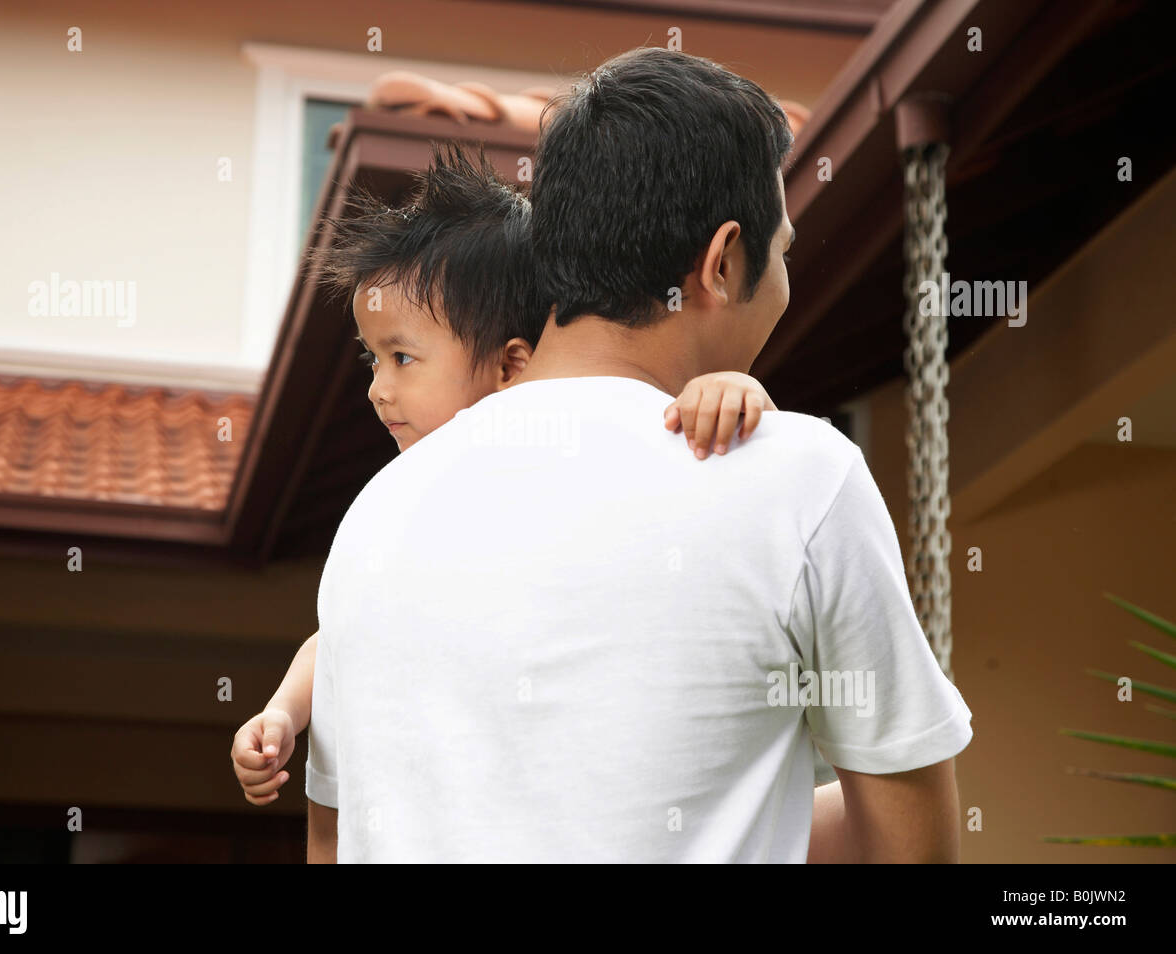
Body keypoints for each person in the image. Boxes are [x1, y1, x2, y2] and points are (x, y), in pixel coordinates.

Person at [299, 48, 973, 863]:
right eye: (783, 251)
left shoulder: (375, 515)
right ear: (723, 261)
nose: (784, 276)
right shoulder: (798, 480)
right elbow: (912, 851)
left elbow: (335, 839)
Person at [229, 140, 778, 811]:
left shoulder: (583, 448)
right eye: (372, 360)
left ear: (510, 366)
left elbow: (664, 437)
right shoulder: (402, 508)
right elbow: (342, 634)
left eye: (402, 358)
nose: (376, 390)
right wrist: (285, 714)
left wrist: (723, 389)